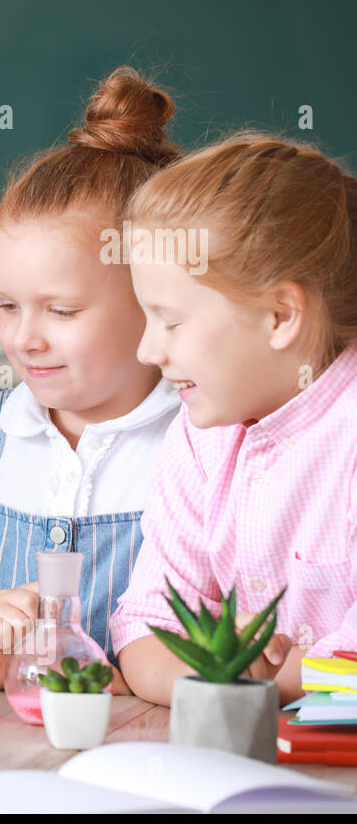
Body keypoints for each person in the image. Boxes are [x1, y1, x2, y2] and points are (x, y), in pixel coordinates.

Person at [0, 68, 182, 689]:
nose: (24, 338)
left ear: (152, 296)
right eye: (7, 305)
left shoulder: (203, 441)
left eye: (61, 311)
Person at [112, 135, 357, 706]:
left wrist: (243, 675)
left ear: (279, 316)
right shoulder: (199, 439)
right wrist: (232, 681)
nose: (148, 351)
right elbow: (143, 628)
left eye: (170, 322)